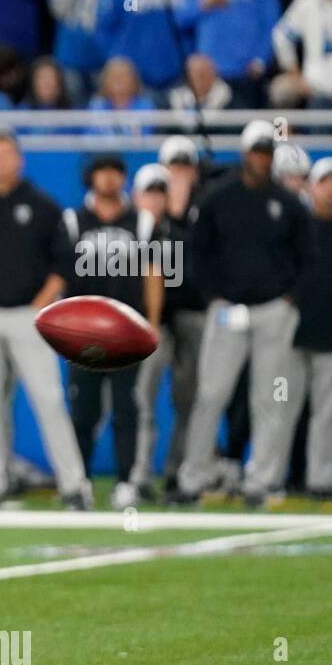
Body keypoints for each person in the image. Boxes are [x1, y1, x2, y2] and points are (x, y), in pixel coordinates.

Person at [0, 128, 89, 509]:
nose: (0, 161)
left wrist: (39, 305)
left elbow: (63, 263)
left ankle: (74, 486)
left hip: (28, 315)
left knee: (49, 398)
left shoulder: (42, 206)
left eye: (7, 154)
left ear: (19, 160)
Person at [173, 120, 312, 507]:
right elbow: (197, 252)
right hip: (227, 309)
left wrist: (290, 300)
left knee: (268, 398)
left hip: (272, 310)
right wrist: (214, 296)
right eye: (256, 151)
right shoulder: (219, 197)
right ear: (244, 153)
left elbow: (307, 257)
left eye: (267, 152)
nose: (261, 159)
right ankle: (193, 476)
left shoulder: (285, 203)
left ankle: (261, 480)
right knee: (212, 393)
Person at [61, 155, 162, 509]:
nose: (109, 179)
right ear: (91, 178)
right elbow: (61, 274)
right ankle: (80, 480)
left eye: (115, 173)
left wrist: (152, 320)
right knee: (83, 410)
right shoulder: (73, 220)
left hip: (126, 328)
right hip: (83, 332)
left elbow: (153, 271)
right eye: (102, 173)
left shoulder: (143, 220)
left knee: (126, 408)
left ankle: (125, 481)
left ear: (123, 178)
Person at [131, 138, 206, 496]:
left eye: (184, 169)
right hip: (152, 323)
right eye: (171, 170)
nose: (177, 178)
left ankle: (179, 472)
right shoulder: (138, 227)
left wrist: (179, 215)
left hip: (192, 313)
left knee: (189, 400)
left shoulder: (203, 209)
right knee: (141, 399)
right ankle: (139, 474)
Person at [290, 157, 332, 497]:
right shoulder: (295, 225)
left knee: (326, 413)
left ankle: (320, 479)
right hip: (288, 335)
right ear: (311, 186)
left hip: (328, 335)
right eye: (325, 182)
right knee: (278, 407)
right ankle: (268, 478)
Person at [273, 0, 332, 107]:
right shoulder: (307, 1)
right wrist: (294, 73)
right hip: (317, 88)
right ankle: (284, 130)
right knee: (281, 91)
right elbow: (281, 36)